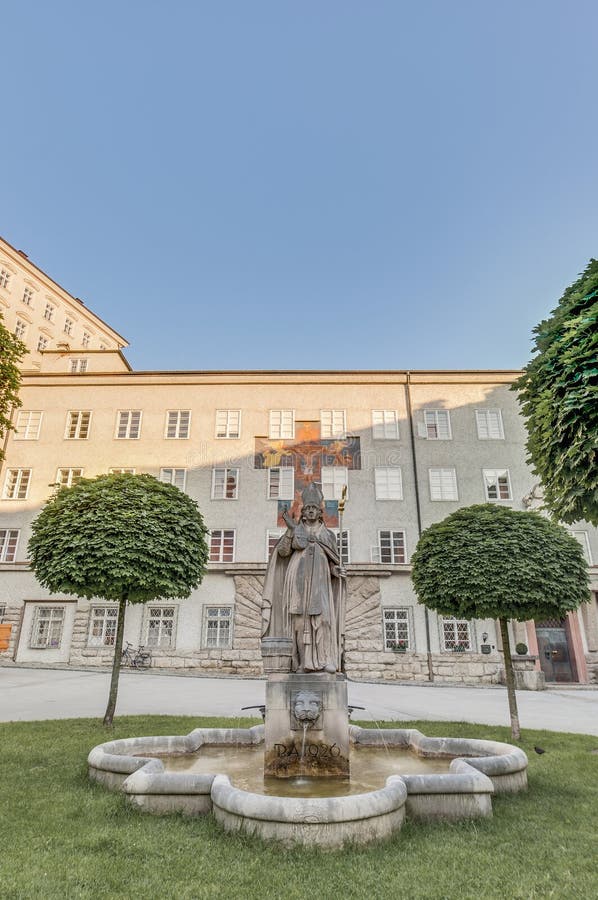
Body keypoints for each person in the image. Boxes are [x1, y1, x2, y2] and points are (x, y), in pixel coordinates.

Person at [261, 482, 346, 673]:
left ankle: (324, 661)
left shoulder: (328, 535)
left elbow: (333, 561)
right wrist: (290, 531)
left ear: (320, 511)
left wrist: (336, 572)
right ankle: (301, 663)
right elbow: (282, 552)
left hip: (321, 582)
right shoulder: (295, 530)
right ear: (303, 511)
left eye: (314, 508)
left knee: (323, 620)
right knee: (299, 623)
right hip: (297, 580)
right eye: (307, 508)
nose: (310, 512)